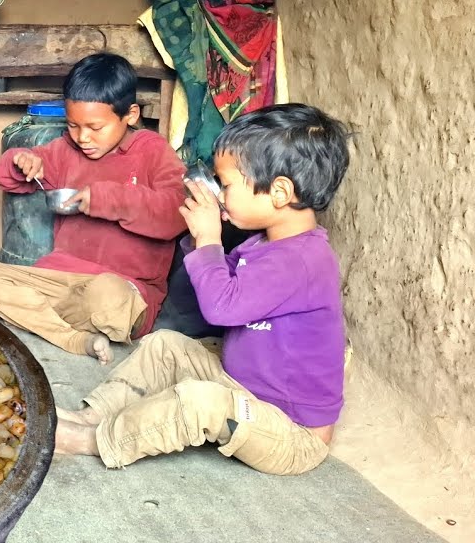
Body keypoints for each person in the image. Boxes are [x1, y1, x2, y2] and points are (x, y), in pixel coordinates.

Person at [54, 103, 351, 476]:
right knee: (166, 345)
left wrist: (210, 238)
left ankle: (93, 440)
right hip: (241, 387)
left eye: (226, 185)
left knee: (201, 402)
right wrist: (200, 243)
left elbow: (222, 308)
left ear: (278, 192)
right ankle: (91, 415)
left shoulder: (304, 261)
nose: (221, 195)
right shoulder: (264, 243)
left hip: (287, 433)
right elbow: (226, 281)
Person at [0, 54, 187, 363]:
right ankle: (76, 340)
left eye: (95, 127)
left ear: (131, 115)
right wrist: (22, 160)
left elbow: (175, 214)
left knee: (108, 299)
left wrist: (104, 199)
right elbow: (5, 178)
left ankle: (45, 321)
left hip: (123, 289)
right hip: (61, 279)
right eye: (73, 125)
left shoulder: (152, 151)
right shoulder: (65, 150)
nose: (82, 137)